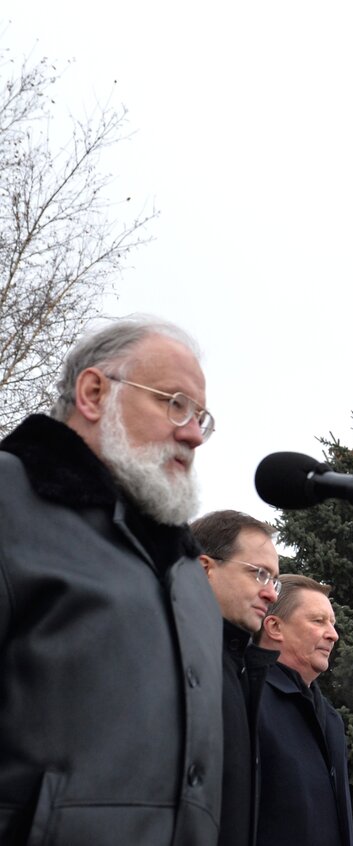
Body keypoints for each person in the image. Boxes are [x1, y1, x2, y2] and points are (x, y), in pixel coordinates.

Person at [0, 317, 223, 844]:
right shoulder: (9, 502)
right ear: (94, 393)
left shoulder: (191, 576)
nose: (192, 433)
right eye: (174, 403)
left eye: (201, 417)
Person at [191, 510, 283, 846]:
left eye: (275, 580)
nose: (272, 594)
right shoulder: (161, 652)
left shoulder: (242, 669)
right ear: (205, 569)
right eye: (259, 574)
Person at [255, 574, 353, 846]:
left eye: (332, 623)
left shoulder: (331, 720)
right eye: (318, 621)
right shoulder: (246, 698)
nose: (333, 634)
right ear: (275, 626)